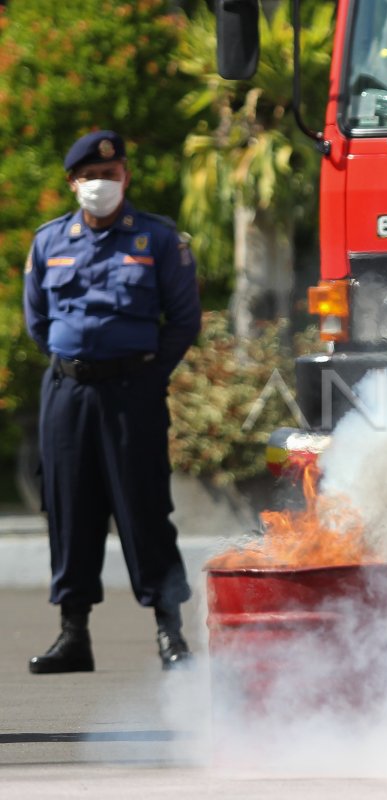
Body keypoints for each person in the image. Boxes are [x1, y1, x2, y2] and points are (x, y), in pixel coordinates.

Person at [23, 131, 202, 673]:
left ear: (125, 177)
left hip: (133, 392)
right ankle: (73, 634)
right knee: (69, 509)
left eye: (112, 174)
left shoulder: (159, 239)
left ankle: (170, 633)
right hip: (69, 391)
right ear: (73, 182)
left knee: (144, 509)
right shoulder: (49, 242)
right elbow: (37, 323)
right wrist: (75, 362)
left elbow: (184, 320)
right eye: (91, 177)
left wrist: (148, 376)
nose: (102, 184)